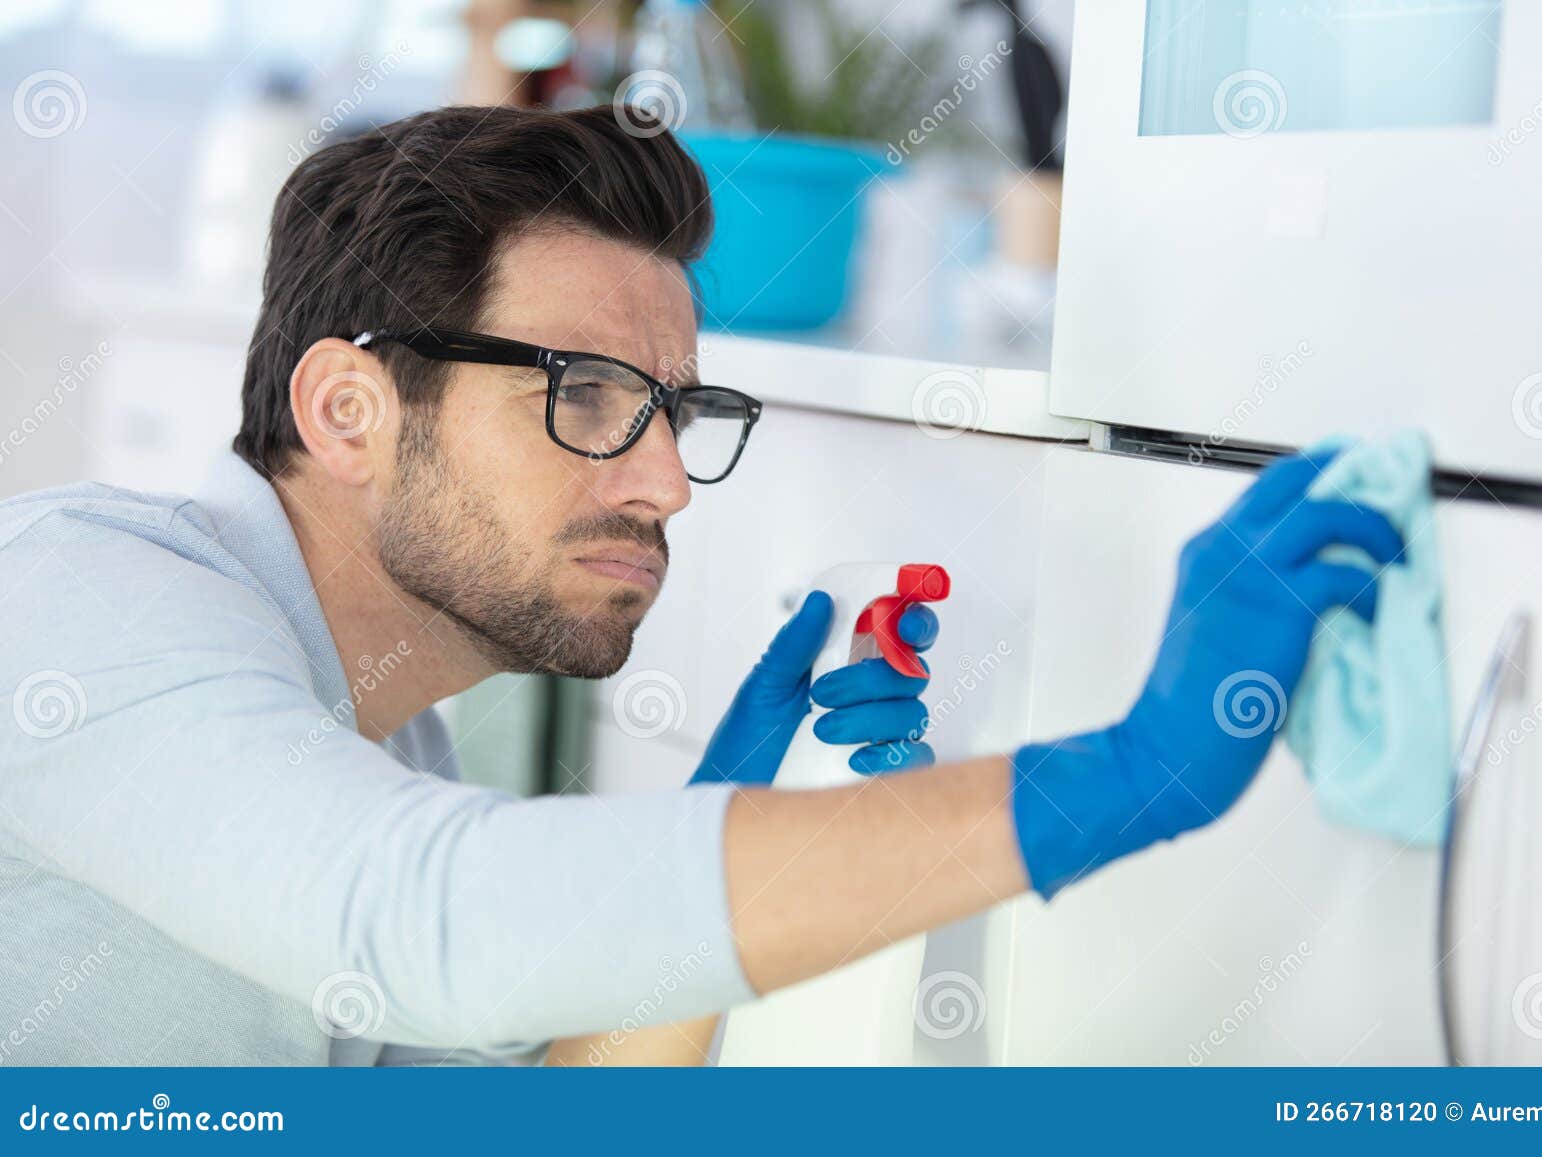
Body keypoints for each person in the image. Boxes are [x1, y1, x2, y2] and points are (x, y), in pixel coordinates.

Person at [0, 105, 1403, 1066]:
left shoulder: (380, 738)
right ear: (350, 408)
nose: (665, 481)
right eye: (593, 394)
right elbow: (422, 916)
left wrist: (727, 817)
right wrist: (1113, 775)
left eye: (679, 410)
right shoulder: (83, 600)